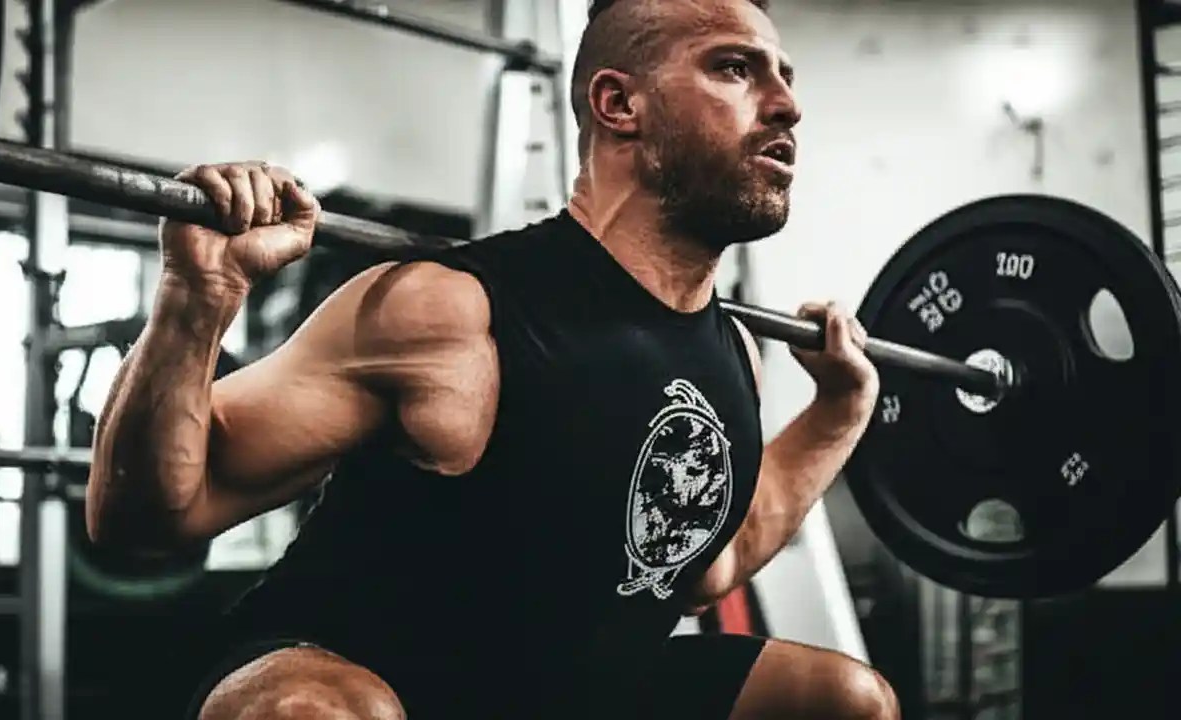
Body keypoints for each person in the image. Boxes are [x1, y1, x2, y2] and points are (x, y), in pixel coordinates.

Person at [86, 0, 901, 718]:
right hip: (367, 682)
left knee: (844, 701)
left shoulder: (733, 355)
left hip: (573, 691)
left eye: (784, 77)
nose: (787, 106)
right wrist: (198, 297)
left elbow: (698, 564)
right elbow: (149, 521)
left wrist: (839, 412)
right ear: (620, 105)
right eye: (736, 69)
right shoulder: (445, 309)